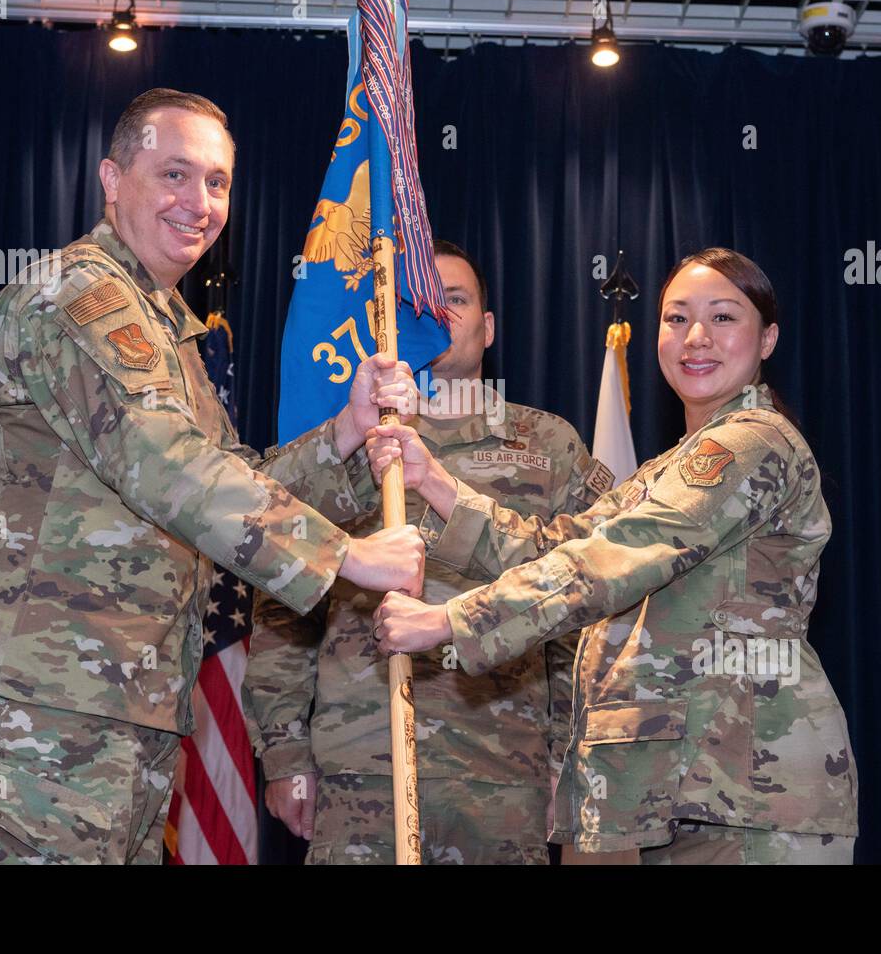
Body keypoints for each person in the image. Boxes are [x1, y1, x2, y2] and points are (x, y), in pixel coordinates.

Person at [0, 88, 425, 865]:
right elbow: (164, 463)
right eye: (175, 175)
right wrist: (346, 557)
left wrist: (347, 435)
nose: (200, 202)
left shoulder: (169, 333)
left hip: (125, 701)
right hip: (39, 699)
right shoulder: (79, 296)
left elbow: (227, 477)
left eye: (218, 182)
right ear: (112, 180)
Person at [368, 247, 859, 865]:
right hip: (653, 789)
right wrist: (436, 485)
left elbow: (616, 558)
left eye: (724, 317)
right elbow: (561, 545)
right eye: (677, 318)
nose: (696, 338)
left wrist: (452, 621)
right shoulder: (670, 465)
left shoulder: (751, 443)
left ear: (768, 340)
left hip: (747, 791)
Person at [245, 241, 614, 864]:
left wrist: (569, 756)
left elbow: (582, 611)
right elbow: (282, 596)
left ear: (488, 326)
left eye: (457, 299)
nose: (438, 313)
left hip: (503, 768)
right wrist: (284, 752)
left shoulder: (548, 445)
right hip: (362, 765)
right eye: (420, 302)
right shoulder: (349, 439)